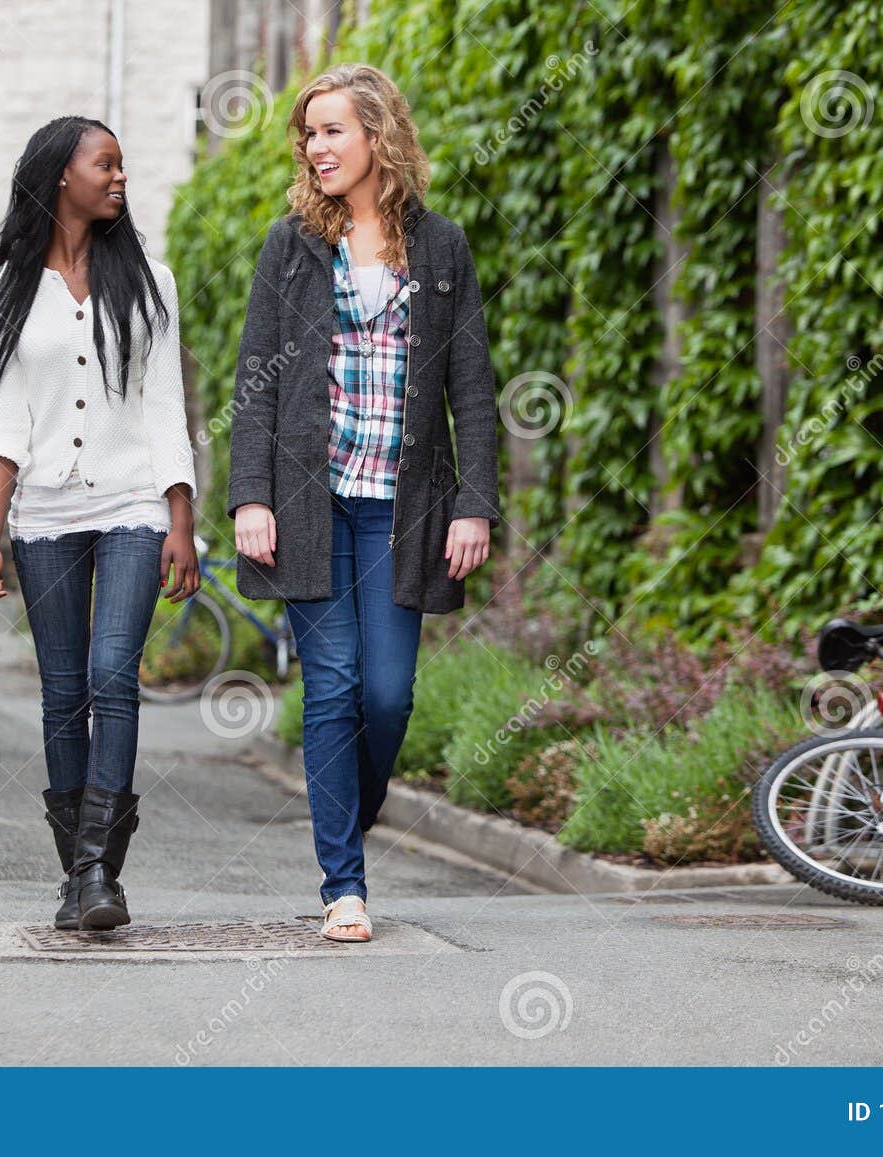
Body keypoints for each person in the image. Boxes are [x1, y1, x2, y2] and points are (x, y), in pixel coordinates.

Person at [226, 64, 501, 942]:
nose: (315, 148)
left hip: (403, 507)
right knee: (334, 686)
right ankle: (344, 883)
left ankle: (352, 805)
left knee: (387, 697)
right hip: (311, 506)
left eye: (332, 130)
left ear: (377, 135)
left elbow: (474, 387)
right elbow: (254, 384)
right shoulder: (290, 245)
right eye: (308, 134)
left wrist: (475, 502)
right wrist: (250, 496)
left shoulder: (443, 246)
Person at [0, 115, 199, 932]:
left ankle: (101, 871)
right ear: (61, 174)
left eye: (122, 164)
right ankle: (79, 879)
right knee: (63, 693)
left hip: (133, 500)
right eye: (106, 163)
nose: (119, 176)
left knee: (112, 674)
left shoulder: (151, 282)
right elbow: (3, 422)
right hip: (44, 512)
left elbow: (166, 402)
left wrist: (181, 515)